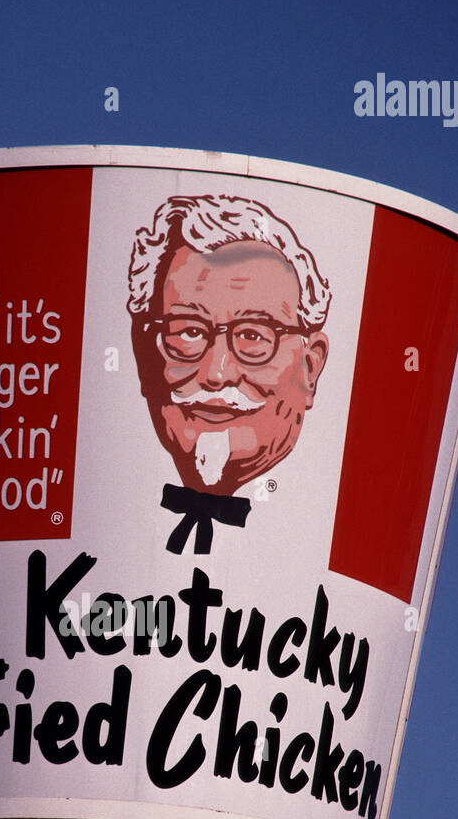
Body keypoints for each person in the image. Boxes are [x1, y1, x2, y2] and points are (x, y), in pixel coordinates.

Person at [128, 195, 331, 553]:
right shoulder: (110, 504)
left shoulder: (325, 532)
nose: (216, 374)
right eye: (188, 332)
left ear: (310, 367)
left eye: (254, 336)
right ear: (145, 356)